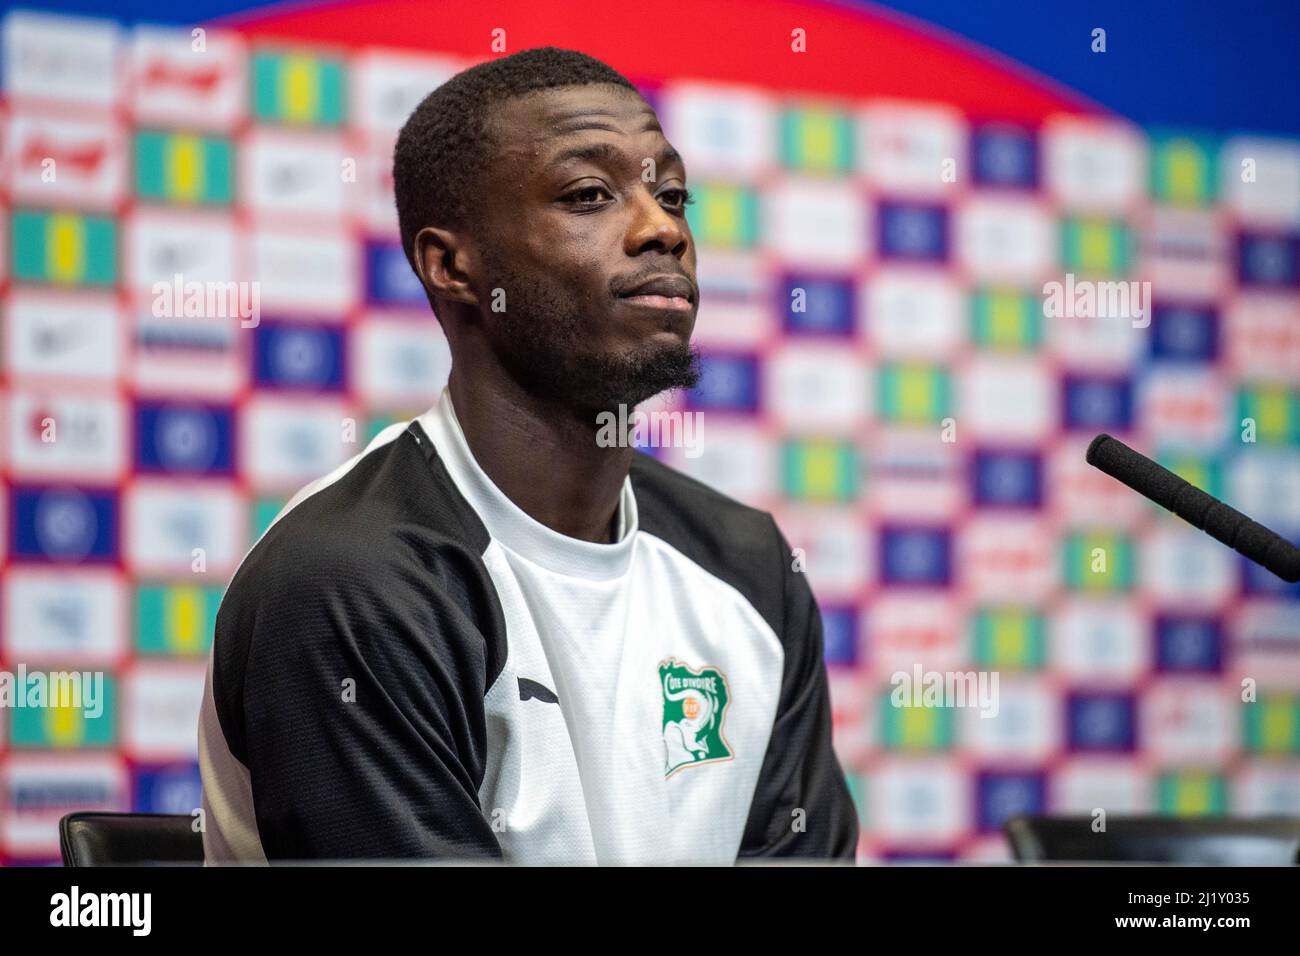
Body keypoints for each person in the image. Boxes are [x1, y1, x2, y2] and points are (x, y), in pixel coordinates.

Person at [197, 45, 858, 864]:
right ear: (452, 266)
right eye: (590, 195)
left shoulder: (749, 566)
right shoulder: (351, 580)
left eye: (672, 193)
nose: (662, 228)